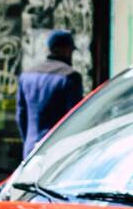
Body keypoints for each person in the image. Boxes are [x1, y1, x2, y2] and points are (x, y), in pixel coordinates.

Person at [17, 29, 84, 157]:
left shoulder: (26, 76)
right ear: (65, 50)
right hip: (57, 150)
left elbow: (21, 115)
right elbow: (75, 118)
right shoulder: (70, 77)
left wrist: (28, 141)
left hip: (30, 149)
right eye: (70, 50)